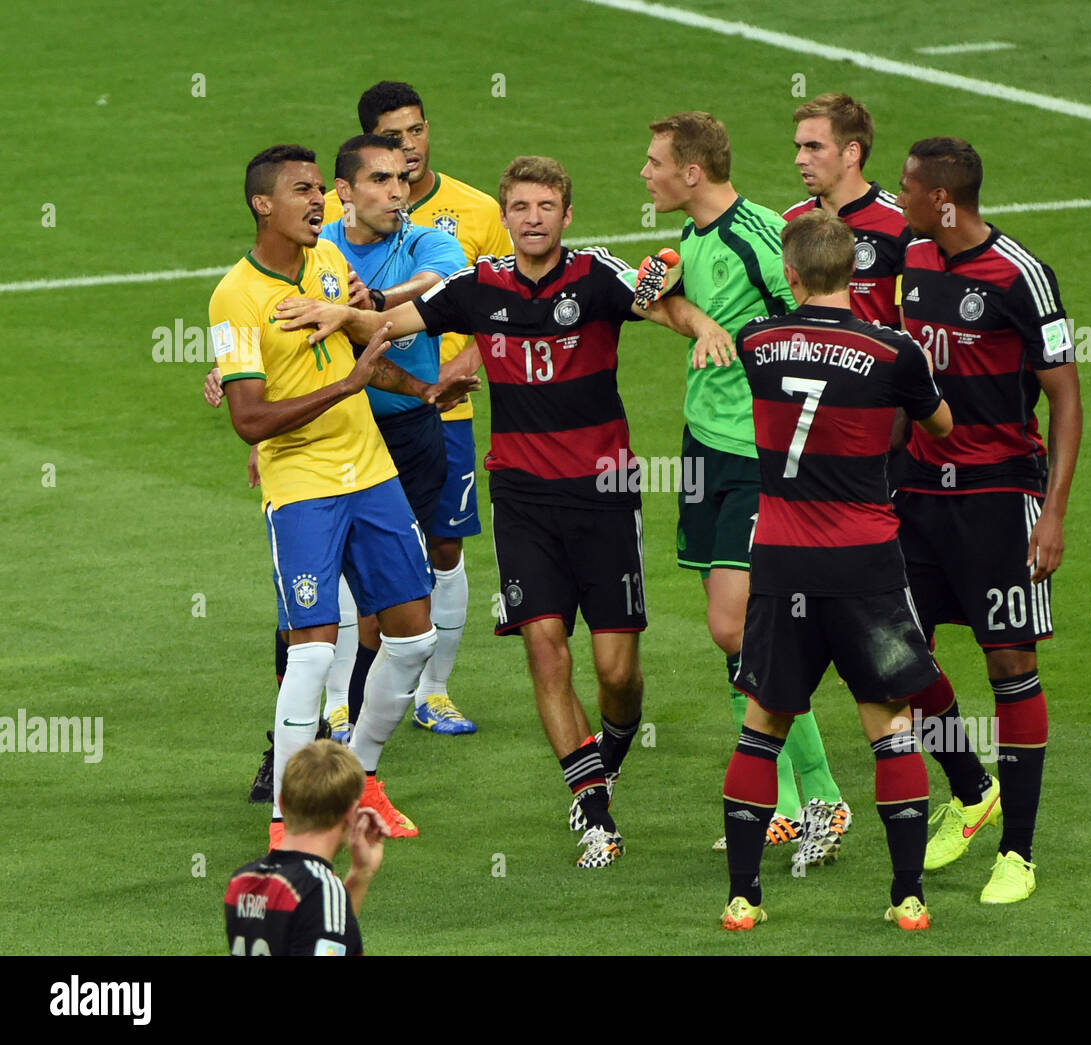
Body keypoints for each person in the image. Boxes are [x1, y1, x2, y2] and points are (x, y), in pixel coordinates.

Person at [276, 156, 732, 869]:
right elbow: (394, 321)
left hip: (603, 495)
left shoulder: (596, 276)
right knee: (545, 647)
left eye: (545, 205)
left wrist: (701, 324)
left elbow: (659, 303)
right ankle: (593, 810)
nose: (531, 218)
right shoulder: (477, 286)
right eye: (518, 206)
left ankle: (605, 755)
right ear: (506, 215)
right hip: (521, 495)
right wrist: (342, 313)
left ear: (567, 214)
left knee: (616, 670)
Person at [209, 143, 475, 849]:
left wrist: (418, 387)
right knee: (313, 654)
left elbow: (358, 354)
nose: (317, 200)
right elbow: (248, 419)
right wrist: (346, 389)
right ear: (263, 203)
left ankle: (364, 779)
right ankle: (286, 823)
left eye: (320, 189)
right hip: (301, 486)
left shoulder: (329, 264)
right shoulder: (234, 295)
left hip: (372, 475)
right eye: (301, 190)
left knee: (413, 636)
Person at [719, 210, 952, 931]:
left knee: (762, 727)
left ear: (791, 273)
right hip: (865, 566)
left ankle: (744, 897)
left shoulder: (757, 340)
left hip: (783, 562)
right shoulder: (894, 352)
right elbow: (940, 427)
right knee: (891, 727)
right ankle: (908, 895)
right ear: (854, 272)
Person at [639, 111, 851, 861]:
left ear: (691, 172)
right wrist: (693, 316)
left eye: (655, 162)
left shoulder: (759, 236)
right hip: (705, 446)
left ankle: (808, 794)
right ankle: (802, 802)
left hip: (763, 453)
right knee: (731, 627)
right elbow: (647, 300)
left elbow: (815, 320)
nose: (646, 174)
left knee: (739, 626)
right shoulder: (689, 242)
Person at [893, 137, 1083, 903]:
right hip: (916, 496)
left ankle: (1020, 852)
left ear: (944, 199)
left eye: (906, 187)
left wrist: (1054, 513)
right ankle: (971, 788)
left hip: (1000, 498)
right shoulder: (912, 258)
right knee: (901, 659)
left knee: (1009, 664)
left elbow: (1066, 399)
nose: (896, 196)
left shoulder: (1021, 276)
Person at [323, 81, 515, 736]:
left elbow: (501, 293)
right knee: (356, 557)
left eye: (416, 132)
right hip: (349, 417)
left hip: (436, 412)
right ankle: (346, 704)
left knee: (442, 547)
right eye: (392, 140)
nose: (408, 152)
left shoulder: (468, 212)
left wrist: (471, 357)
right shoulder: (325, 223)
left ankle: (432, 692)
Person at [225, 740, 389, 955]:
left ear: (281, 803)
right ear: (351, 813)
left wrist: (361, 873)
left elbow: (317, 930)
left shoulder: (242, 882)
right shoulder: (319, 889)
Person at [782, 92, 910, 328]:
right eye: (799, 147)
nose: (799, 159)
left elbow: (911, 326)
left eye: (813, 147)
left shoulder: (901, 224)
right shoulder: (790, 223)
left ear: (852, 152)